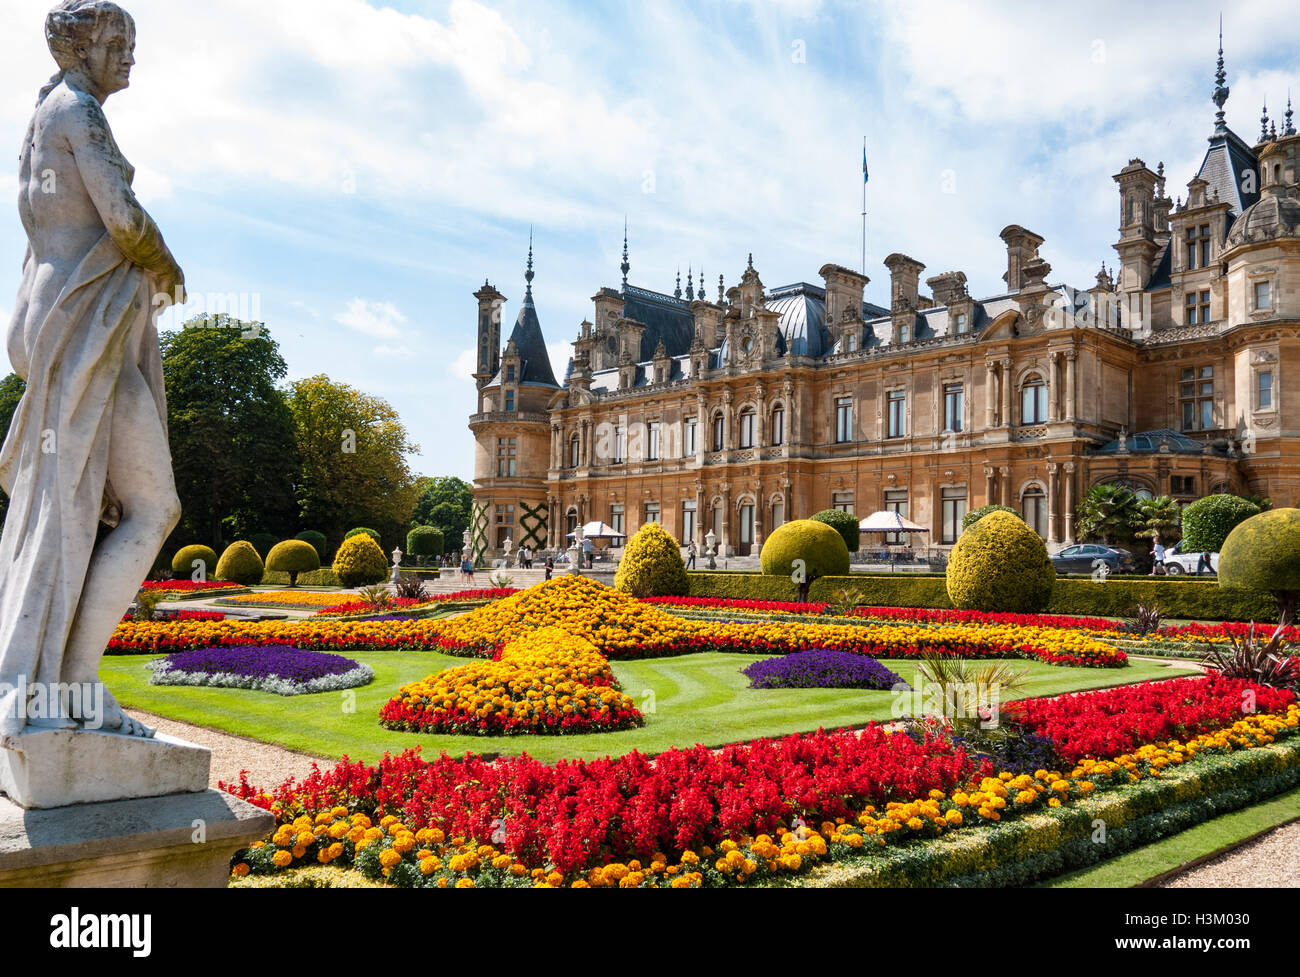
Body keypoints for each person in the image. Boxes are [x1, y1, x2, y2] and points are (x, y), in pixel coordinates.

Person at [0, 1, 184, 738]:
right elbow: (126, 219)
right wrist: (169, 270)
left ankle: (56, 683)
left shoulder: (49, 113)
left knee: (64, 497)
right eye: (117, 42)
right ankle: (68, 686)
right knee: (150, 506)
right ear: (79, 48)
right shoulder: (78, 112)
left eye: (131, 41)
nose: (129, 55)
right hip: (83, 323)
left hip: (54, 312)